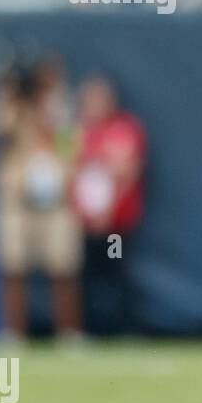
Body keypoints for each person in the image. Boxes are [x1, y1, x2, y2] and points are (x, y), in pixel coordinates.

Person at [0, 57, 83, 340]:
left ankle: (69, 332)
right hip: (18, 199)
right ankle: (14, 333)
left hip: (56, 200)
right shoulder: (9, 106)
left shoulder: (62, 108)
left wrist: (50, 115)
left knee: (64, 266)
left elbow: (70, 148)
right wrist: (13, 97)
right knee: (12, 267)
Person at [72, 75, 147, 334]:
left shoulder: (124, 128)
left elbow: (128, 171)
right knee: (84, 278)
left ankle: (125, 329)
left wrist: (108, 210)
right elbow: (68, 169)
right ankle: (86, 332)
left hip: (116, 222)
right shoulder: (76, 130)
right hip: (84, 221)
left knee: (117, 275)